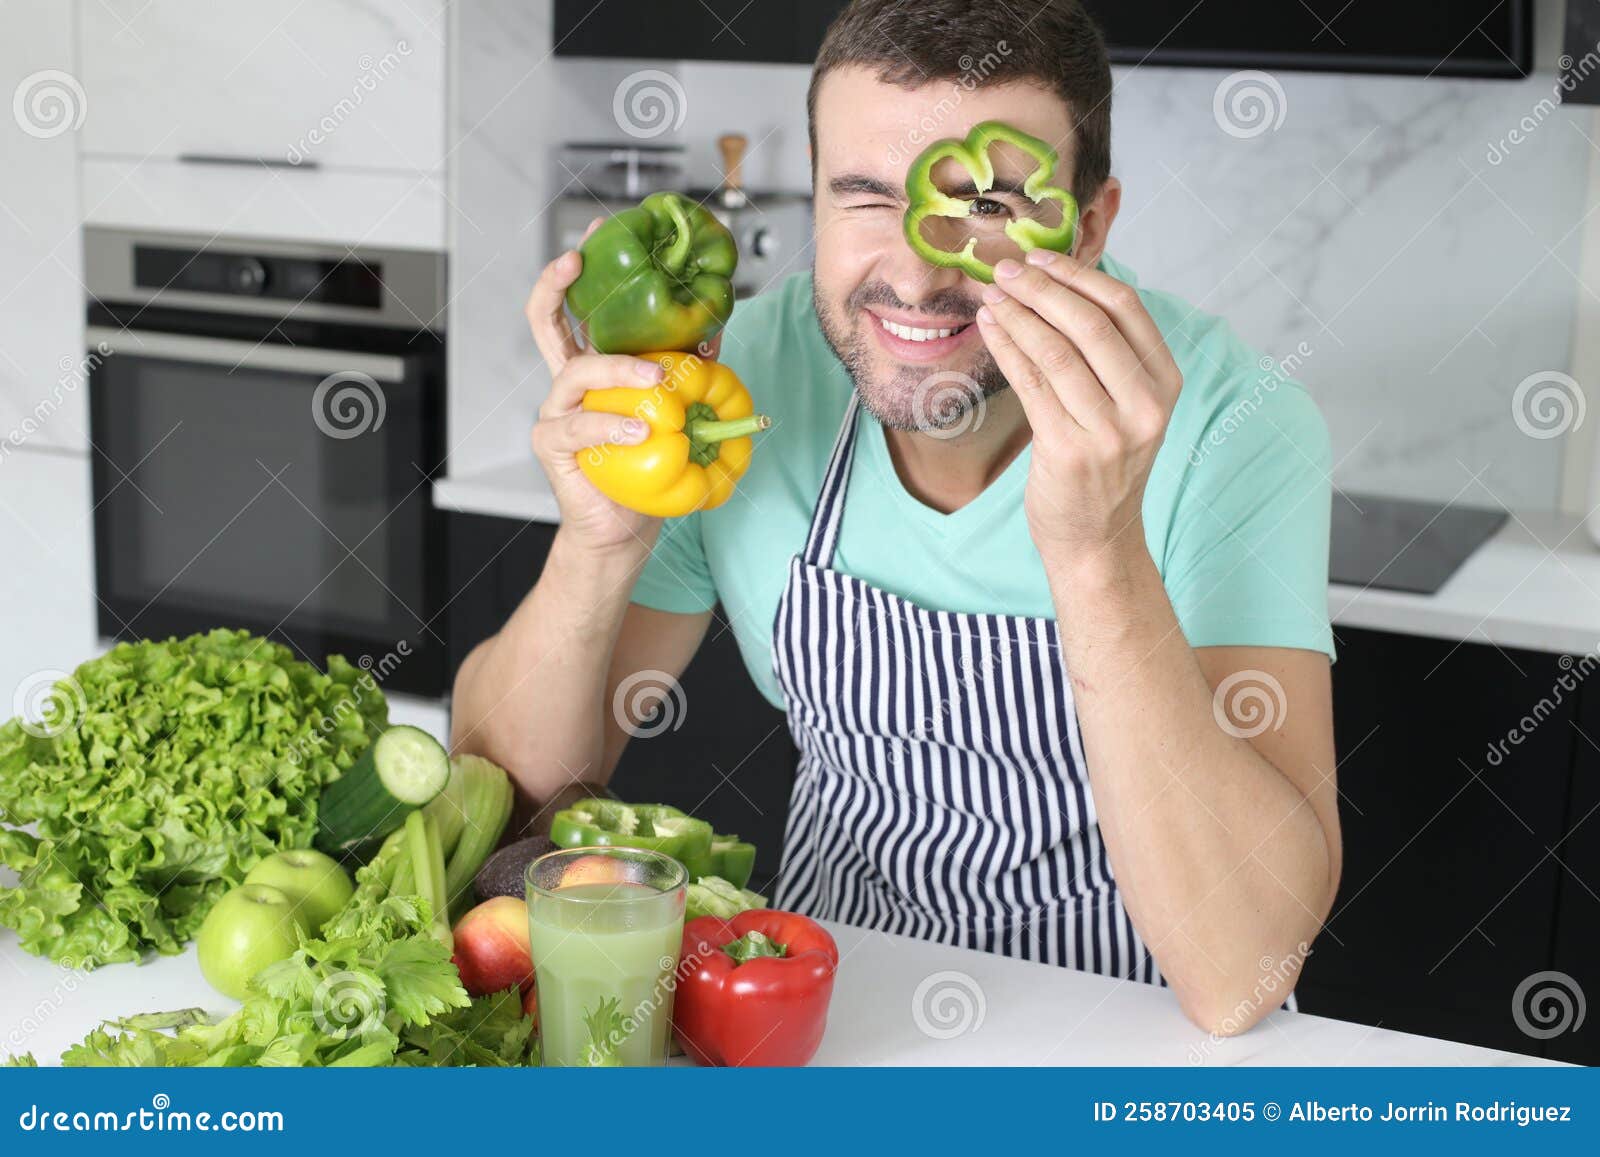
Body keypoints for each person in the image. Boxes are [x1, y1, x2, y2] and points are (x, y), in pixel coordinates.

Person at [452, 0, 1340, 1034]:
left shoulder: (1233, 418)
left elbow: (1238, 973)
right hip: (823, 1014)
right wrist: (597, 547)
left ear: (1089, 227)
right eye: (867, 196)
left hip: (1139, 1042)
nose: (917, 275)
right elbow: (494, 811)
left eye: (989, 206)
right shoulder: (735, 380)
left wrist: (1096, 553)